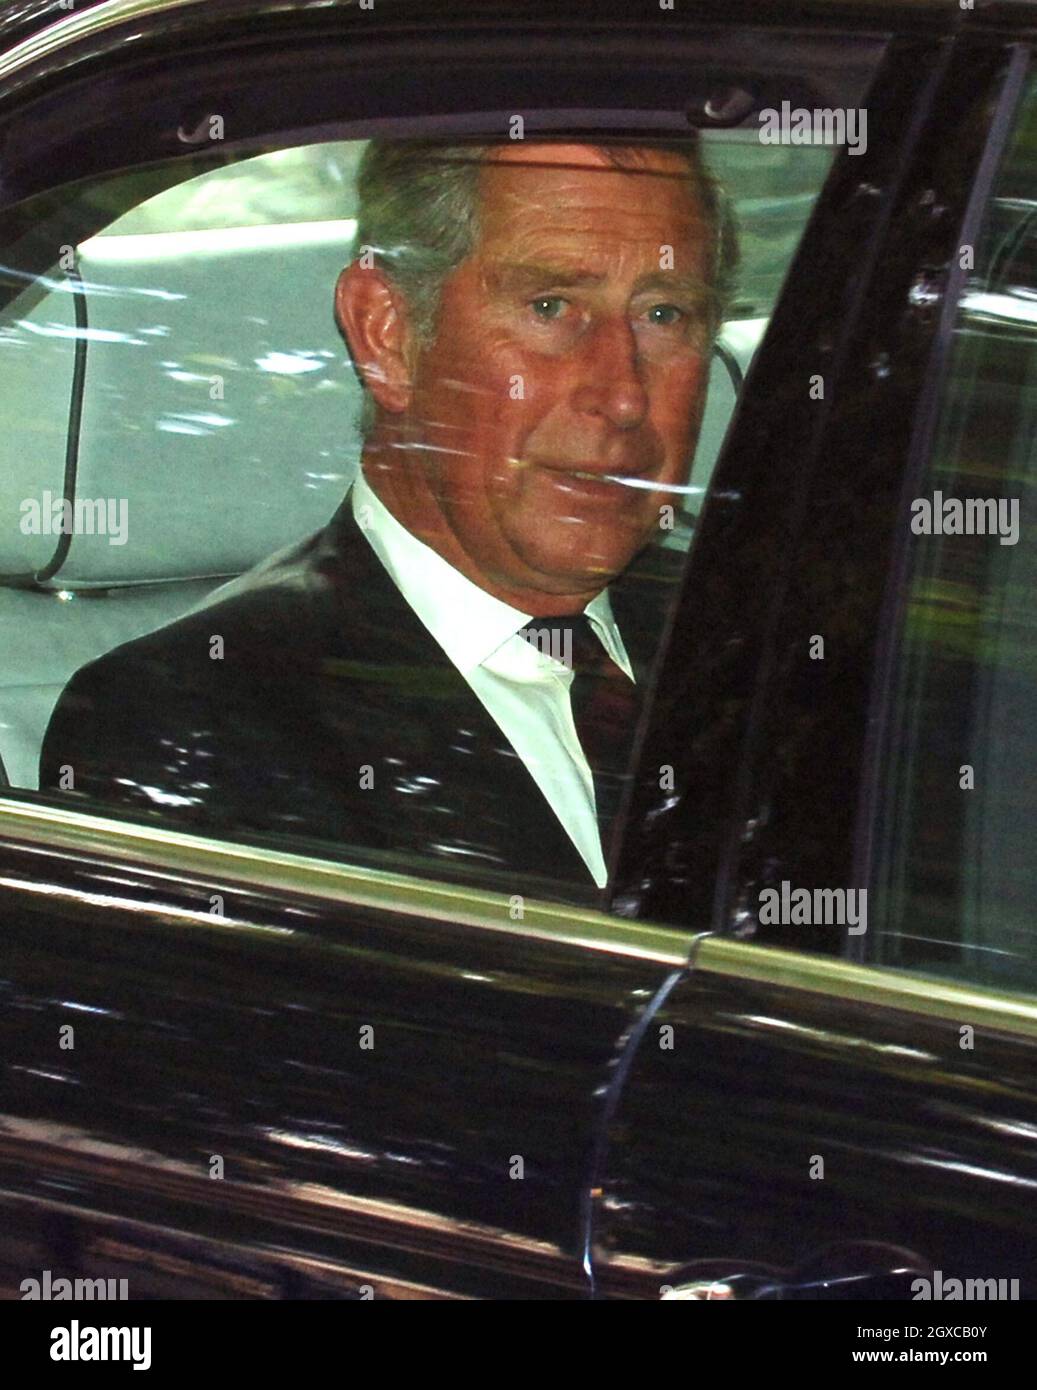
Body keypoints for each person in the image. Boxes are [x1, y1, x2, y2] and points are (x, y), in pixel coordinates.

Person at [40, 137, 736, 892]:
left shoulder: (751, 632)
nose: (623, 394)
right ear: (389, 335)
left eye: (663, 314)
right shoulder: (191, 719)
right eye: (550, 307)